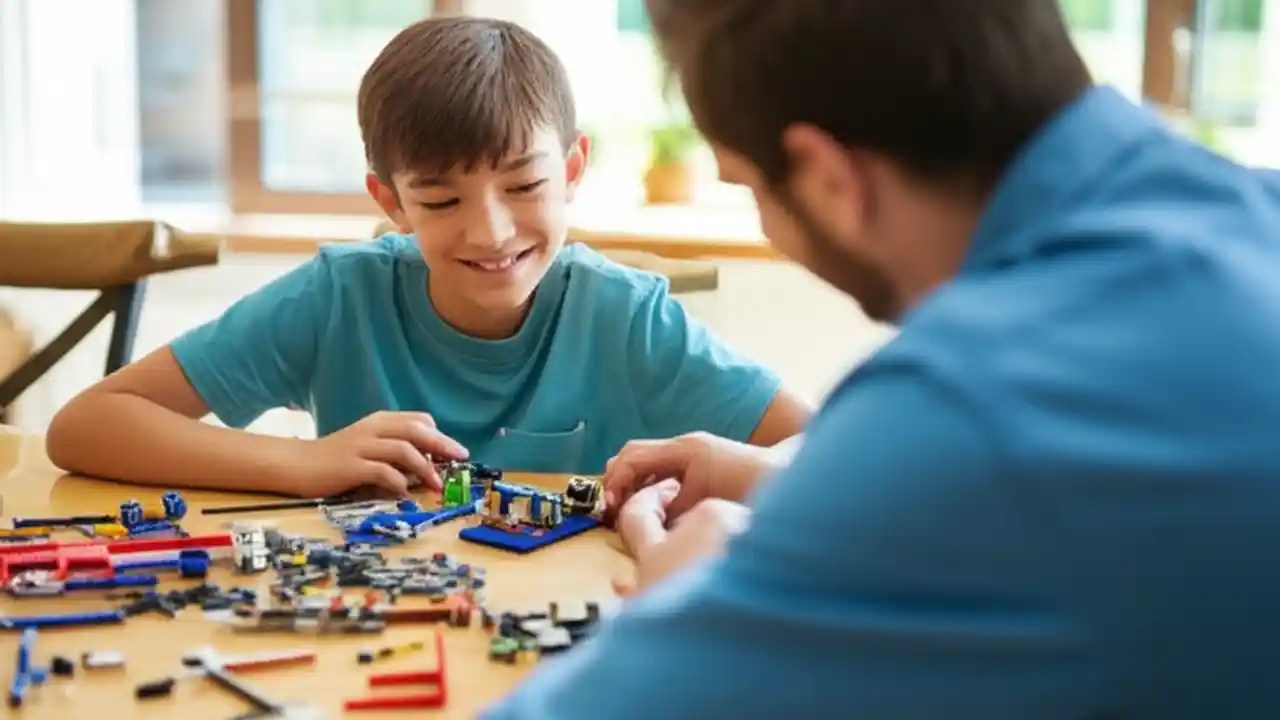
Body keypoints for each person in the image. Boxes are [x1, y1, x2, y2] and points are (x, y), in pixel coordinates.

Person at [483, 1, 1280, 718]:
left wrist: (682, 591)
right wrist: (795, 484)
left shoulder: (964, 405)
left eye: (749, 185)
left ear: (830, 179)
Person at [44, 17, 808, 499]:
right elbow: (87, 425)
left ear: (573, 171)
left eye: (526, 185)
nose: (490, 232)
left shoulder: (627, 317)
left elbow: (827, 446)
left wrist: (727, 460)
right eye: (442, 201)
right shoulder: (338, 296)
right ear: (391, 203)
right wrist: (303, 464)